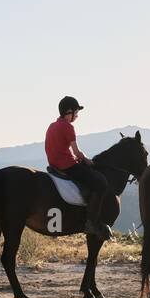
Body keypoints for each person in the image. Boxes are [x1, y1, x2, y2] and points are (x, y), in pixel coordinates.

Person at [45, 96, 111, 239]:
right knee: (101, 183)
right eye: (76, 112)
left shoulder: (52, 126)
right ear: (69, 111)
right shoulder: (68, 127)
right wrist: (87, 160)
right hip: (67, 166)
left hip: (54, 164)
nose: (77, 116)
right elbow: (76, 152)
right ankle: (91, 223)